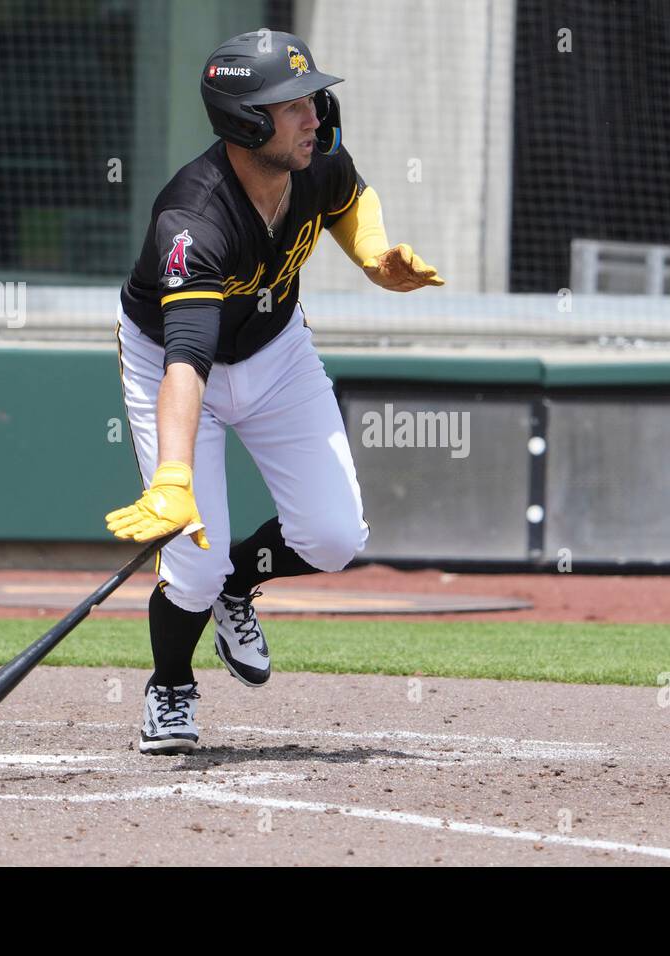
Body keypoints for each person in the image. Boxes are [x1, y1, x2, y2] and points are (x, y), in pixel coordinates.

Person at [106, 31, 443, 754]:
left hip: (276, 350)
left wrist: (377, 259)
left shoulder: (314, 164)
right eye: (289, 107)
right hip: (170, 361)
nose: (313, 116)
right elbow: (186, 362)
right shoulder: (192, 220)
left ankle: (240, 583)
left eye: (309, 99)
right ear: (244, 122)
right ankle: (170, 686)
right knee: (193, 558)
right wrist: (172, 478)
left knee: (333, 538)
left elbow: (352, 199)